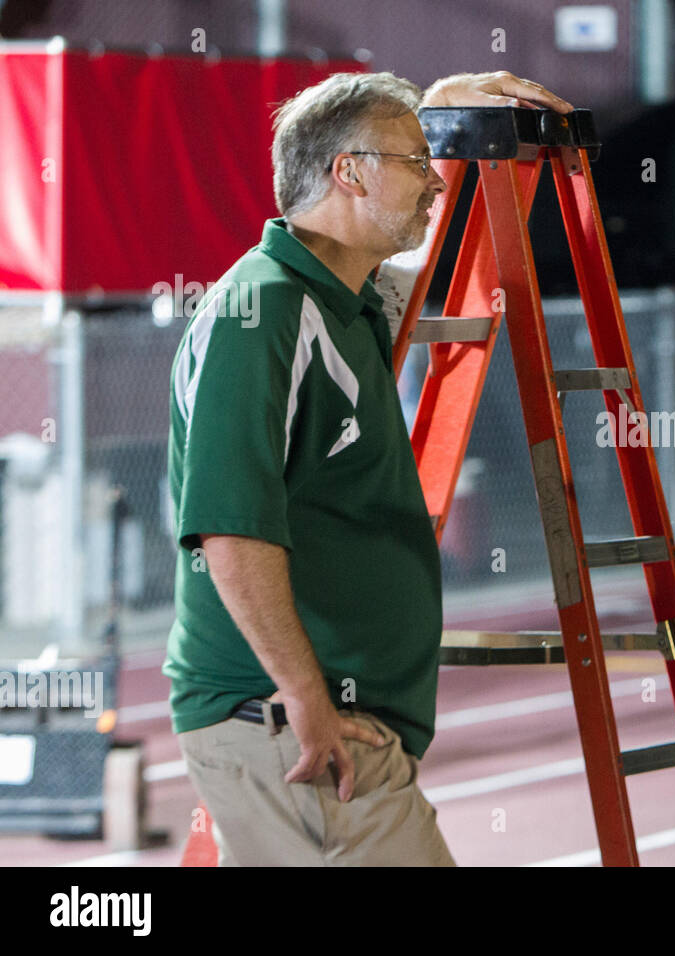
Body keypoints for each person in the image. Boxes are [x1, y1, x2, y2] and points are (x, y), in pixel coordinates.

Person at [165, 70, 572, 866]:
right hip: (292, 723)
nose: (435, 179)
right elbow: (229, 532)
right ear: (348, 172)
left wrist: (440, 100)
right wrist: (308, 700)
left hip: (319, 721)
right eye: (417, 160)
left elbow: (434, 271)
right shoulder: (267, 309)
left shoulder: (350, 300)